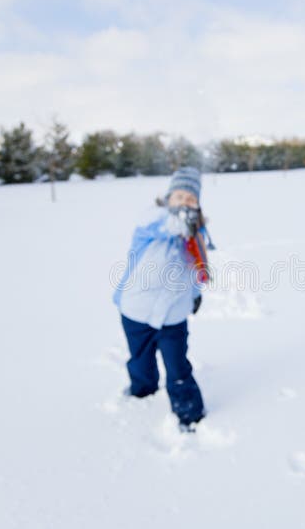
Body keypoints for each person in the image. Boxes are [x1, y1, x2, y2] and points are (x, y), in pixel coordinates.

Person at [112, 167, 212, 432]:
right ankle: (143, 391)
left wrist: (195, 296)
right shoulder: (150, 223)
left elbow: (195, 272)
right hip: (137, 310)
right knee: (140, 359)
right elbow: (161, 224)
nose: (184, 202)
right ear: (167, 199)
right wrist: (180, 222)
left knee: (178, 366)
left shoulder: (194, 238)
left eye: (191, 199)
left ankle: (189, 413)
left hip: (173, 316)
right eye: (179, 196)